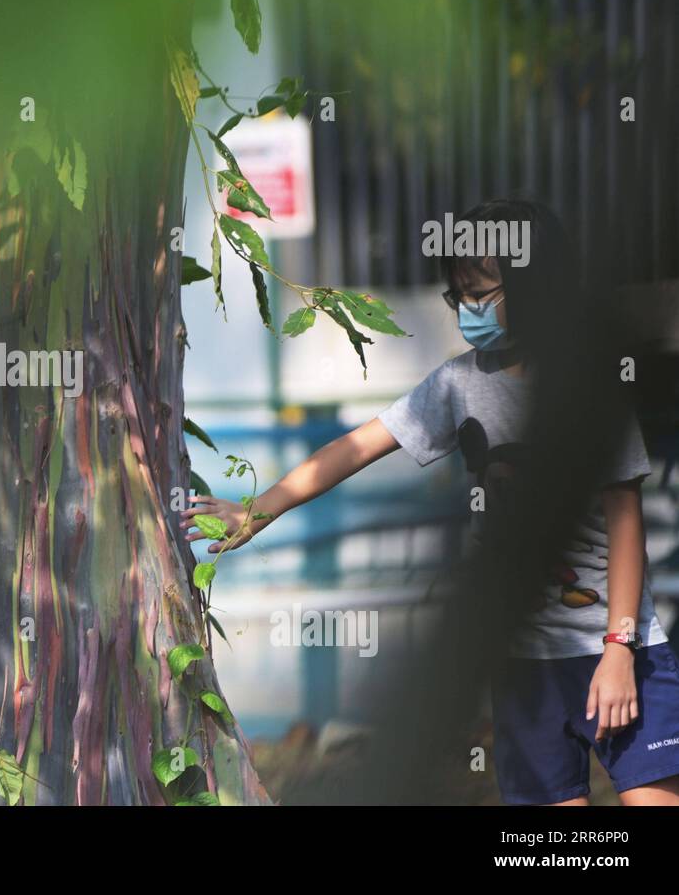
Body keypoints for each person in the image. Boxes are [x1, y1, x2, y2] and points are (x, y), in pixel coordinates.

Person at [182, 199, 679, 805]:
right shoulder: (456, 384)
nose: (470, 311)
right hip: (524, 665)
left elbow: (627, 525)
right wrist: (257, 512)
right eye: (459, 297)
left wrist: (618, 650)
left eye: (484, 294)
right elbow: (357, 446)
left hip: (618, 647)